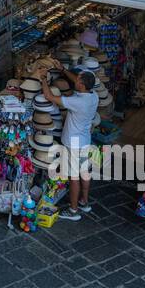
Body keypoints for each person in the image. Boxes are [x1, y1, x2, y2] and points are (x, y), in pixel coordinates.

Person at [40, 59, 100, 221]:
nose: (76, 80)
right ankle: (84, 202)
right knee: (84, 173)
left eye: (78, 80)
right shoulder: (92, 96)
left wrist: (43, 79)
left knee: (74, 178)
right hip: (84, 141)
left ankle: (73, 211)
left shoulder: (77, 102)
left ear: (81, 85)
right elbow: (78, 80)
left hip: (73, 144)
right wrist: (62, 69)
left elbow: (49, 96)